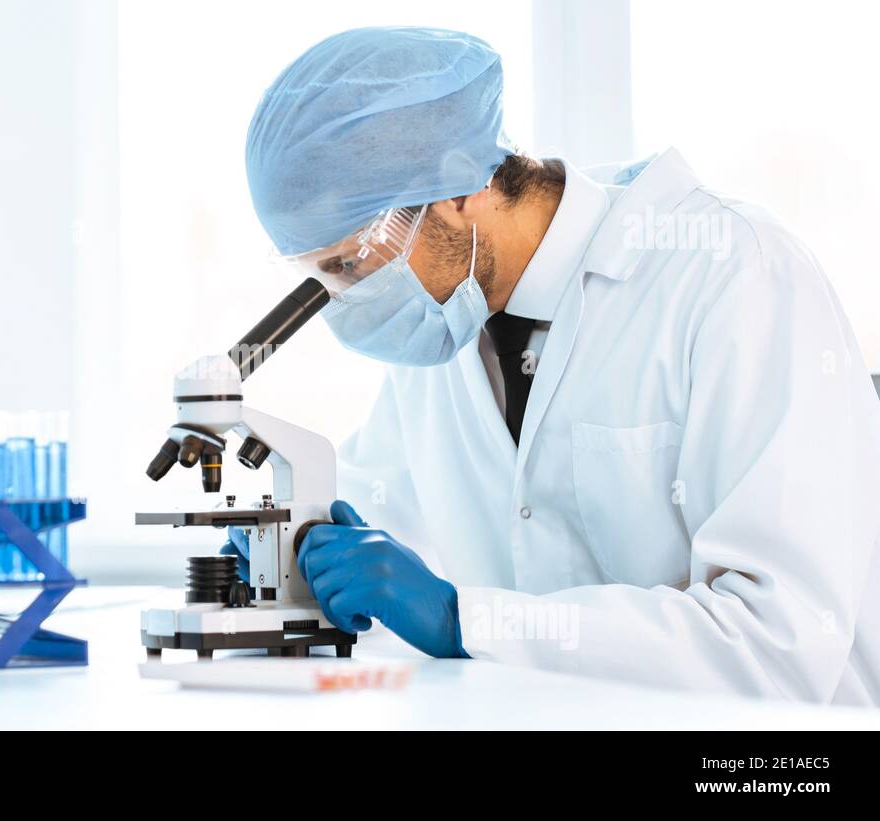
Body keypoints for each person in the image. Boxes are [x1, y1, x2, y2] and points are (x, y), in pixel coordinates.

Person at [226, 26, 880, 704]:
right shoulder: (442, 326)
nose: (347, 300)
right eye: (322, 277)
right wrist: (298, 553)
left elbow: (777, 643)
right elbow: (391, 529)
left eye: (352, 262)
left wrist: (467, 620)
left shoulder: (734, 278)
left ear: (458, 190)